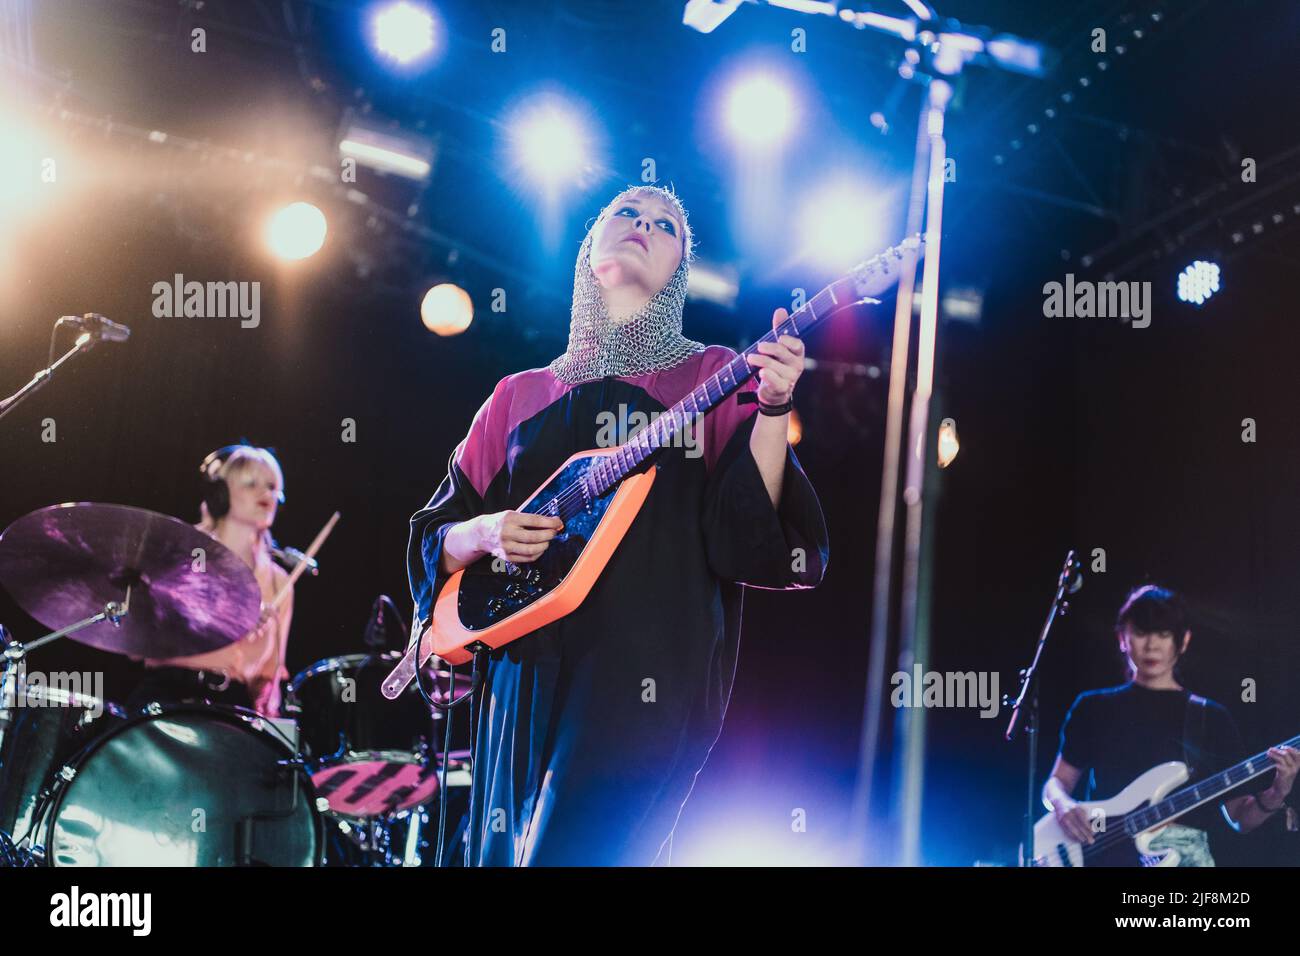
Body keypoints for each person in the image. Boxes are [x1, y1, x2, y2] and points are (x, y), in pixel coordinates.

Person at [407, 184, 829, 866]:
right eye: (627, 213)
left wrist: (774, 406)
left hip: (646, 672)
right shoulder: (517, 397)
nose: (644, 225)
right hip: (519, 673)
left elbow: (753, 536)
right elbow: (438, 535)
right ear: (589, 247)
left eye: (667, 225)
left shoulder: (713, 376)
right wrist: (484, 532)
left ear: (680, 271)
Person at [1042, 584, 1299, 865]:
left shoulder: (1210, 718)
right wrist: (1063, 804)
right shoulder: (1093, 707)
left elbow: (1240, 818)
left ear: (1183, 641)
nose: (1151, 645)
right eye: (1141, 632)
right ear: (1122, 638)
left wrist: (1277, 792)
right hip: (1100, 858)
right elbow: (1057, 783)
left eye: (1163, 634)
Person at [130, 445, 295, 717]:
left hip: (234, 707)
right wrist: (229, 619)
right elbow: (139, 644)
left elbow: (268, 677)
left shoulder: (280, 581)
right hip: (170, 692)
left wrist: (269, 702)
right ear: (220, 494)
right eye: (251, 483)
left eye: (272, 486)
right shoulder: (183, 552)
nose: (266, 494)